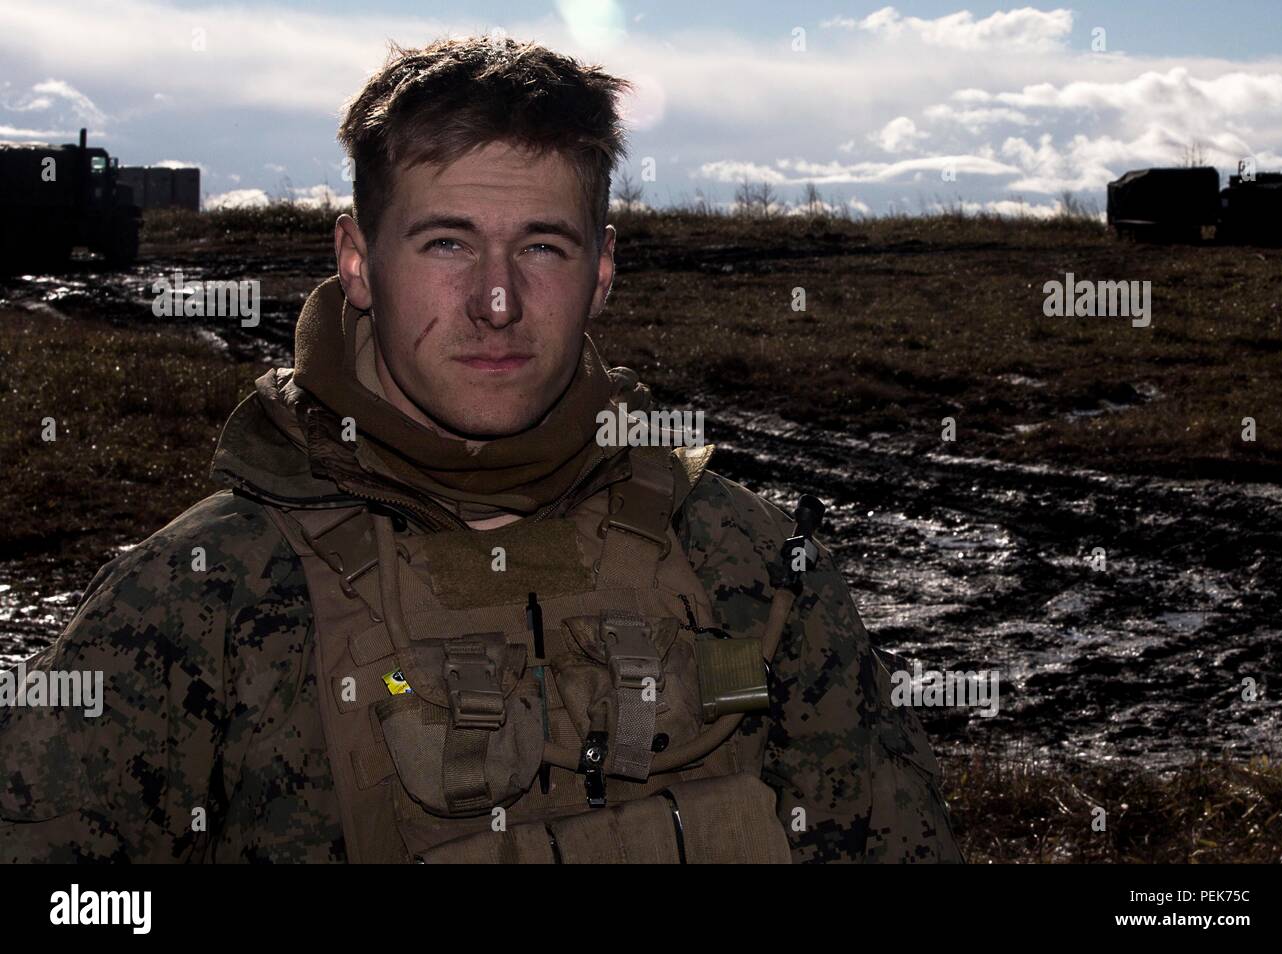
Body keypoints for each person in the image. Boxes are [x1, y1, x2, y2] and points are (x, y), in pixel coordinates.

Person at [0, 34, 962, 863]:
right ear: (355, 260)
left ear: (603, 271)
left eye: (543, 246)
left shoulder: (750, 567)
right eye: (447, 244)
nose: (497, 303)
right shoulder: (197, 599)